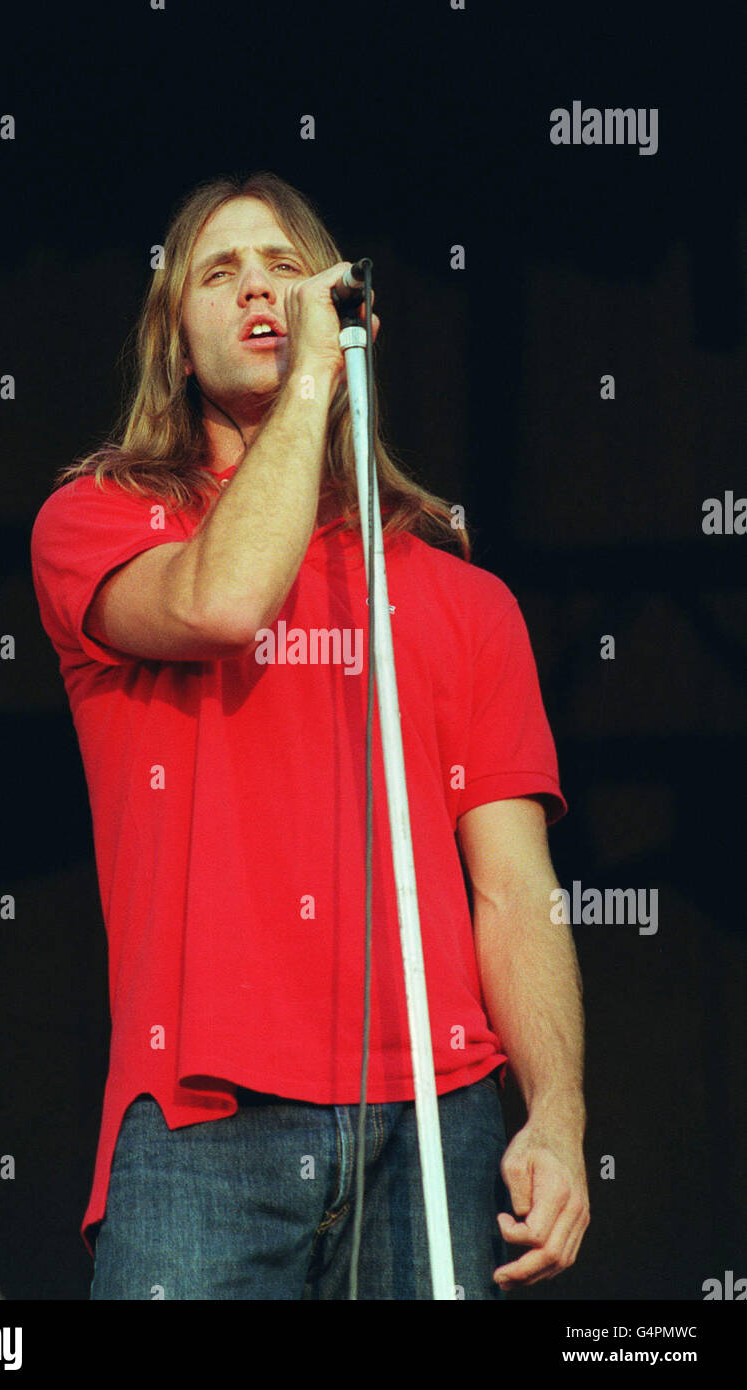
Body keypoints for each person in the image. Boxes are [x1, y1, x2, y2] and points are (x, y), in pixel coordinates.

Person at [30, 170, 589, 1300]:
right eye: (221, 273)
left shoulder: (458, 595)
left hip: (436, 1119)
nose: (261, 293)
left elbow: (515, 889)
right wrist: (314, 381)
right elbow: (225, 601)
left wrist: (562, 1114)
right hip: (204, 1123)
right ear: (178, 345)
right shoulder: (99, 521)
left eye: (288, 269)